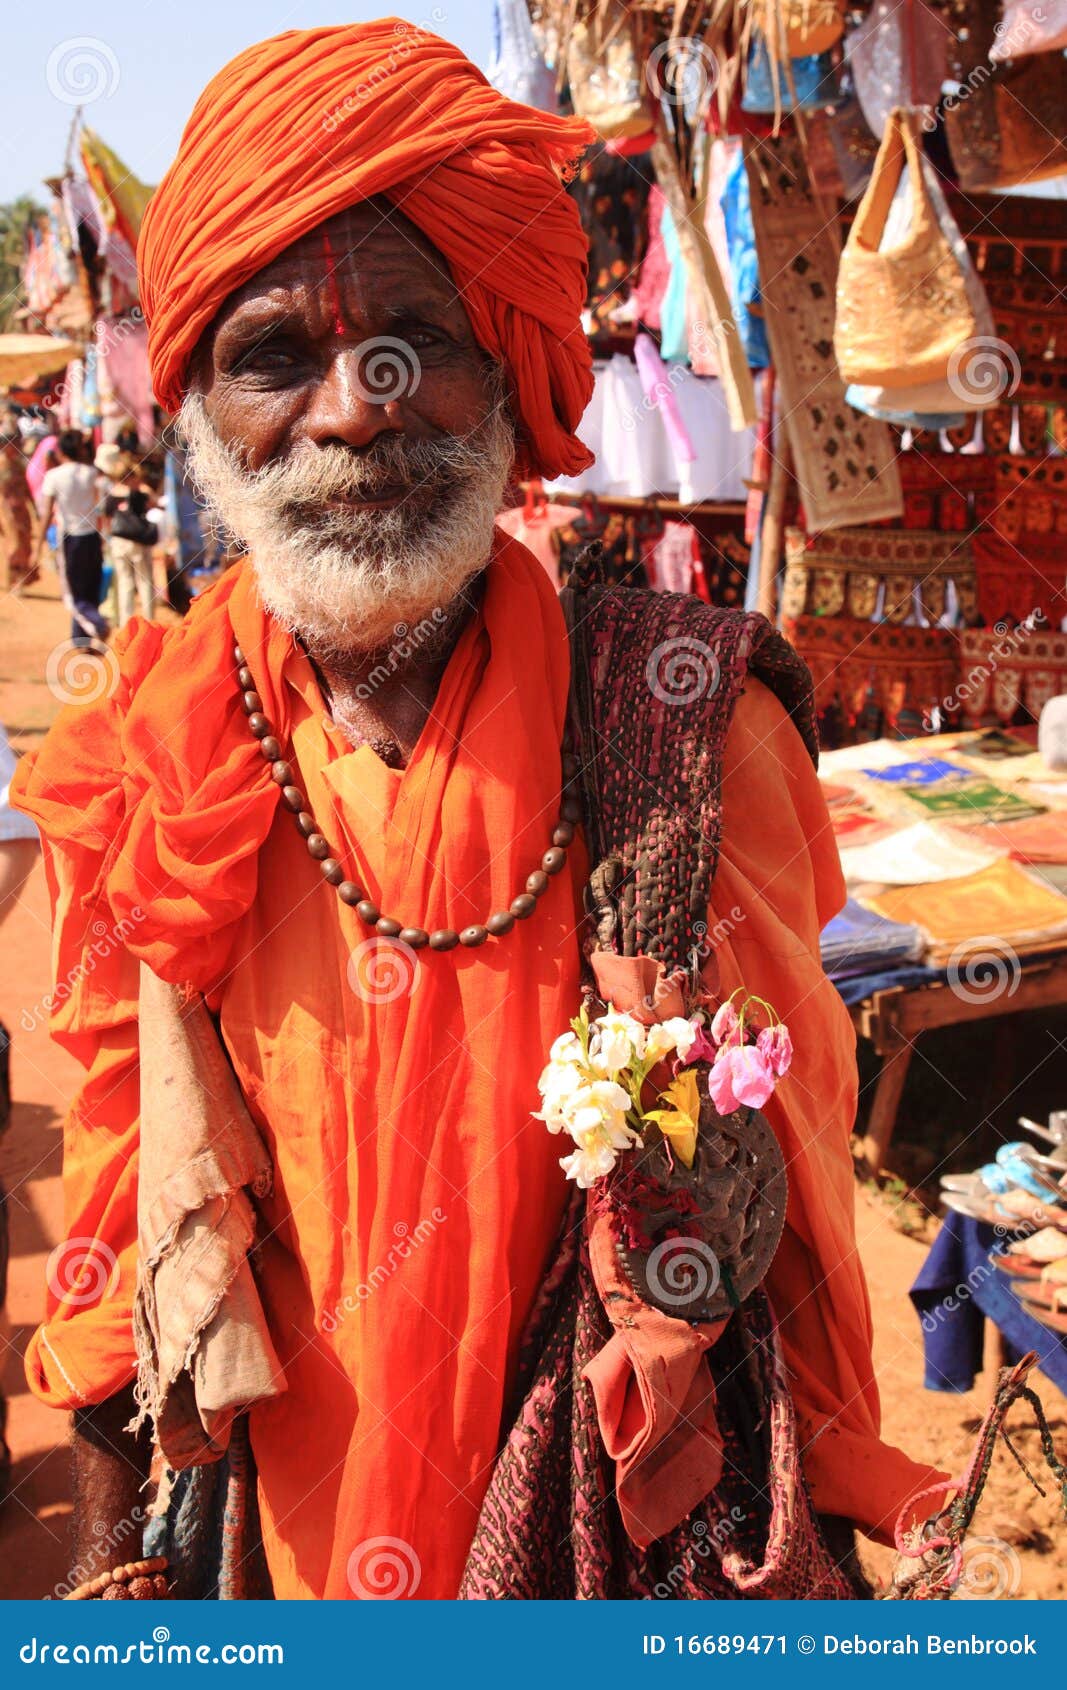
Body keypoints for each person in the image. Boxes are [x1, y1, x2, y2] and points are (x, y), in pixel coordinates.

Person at [12, 22, 950, 1602]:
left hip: (603, 1558)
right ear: (193, 410)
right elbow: (123, 1241)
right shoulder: (138, 753)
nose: (357, 407)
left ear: (508, 363)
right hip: (278, 1561)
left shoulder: (694, 725)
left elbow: (793, 1243)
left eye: (412, 338)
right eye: (270, 357)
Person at [36, 430, 109, 646]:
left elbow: (47, 513)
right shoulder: (91, 473)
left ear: (60, 451)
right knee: (90, 588)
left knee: (73, 595)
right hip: (92, 537)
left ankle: (97, 624)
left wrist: (37, 547)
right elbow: (101, 508)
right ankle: (80, 640)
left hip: (71, 539)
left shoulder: (53, 476)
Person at [97, 446, 158, 627]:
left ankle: (126, 625)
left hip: (118, 543)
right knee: (145, 582)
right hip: (138, 542)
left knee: (125, 583)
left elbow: (106, 521)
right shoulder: (139, 494)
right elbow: (154, 504)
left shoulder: (111, 496)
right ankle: (150, 622)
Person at [0, 427, 38, 593]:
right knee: (13, 545)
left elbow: (26, 488)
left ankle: (21, 580)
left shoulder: (19, 465)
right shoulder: (1, 465)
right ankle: (12, 579)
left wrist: (34, 507)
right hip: (6, 511)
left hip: (21, 510)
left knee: (25, 543)